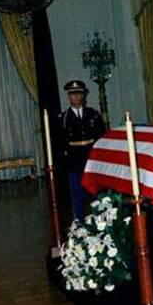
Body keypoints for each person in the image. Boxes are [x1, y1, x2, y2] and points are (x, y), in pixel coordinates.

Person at [60, 79, 105, 218]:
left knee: (96, 191)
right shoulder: (63, 118)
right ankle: (79, 221)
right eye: (73, 94)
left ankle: (101, 219)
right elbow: (61, 142)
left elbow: (101, 136)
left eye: (79, 94)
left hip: (91, 158)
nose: (76, 97)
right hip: (74, 160)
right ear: (68, 97)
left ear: (83, 95)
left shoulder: (93, 114)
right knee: (77, 192)